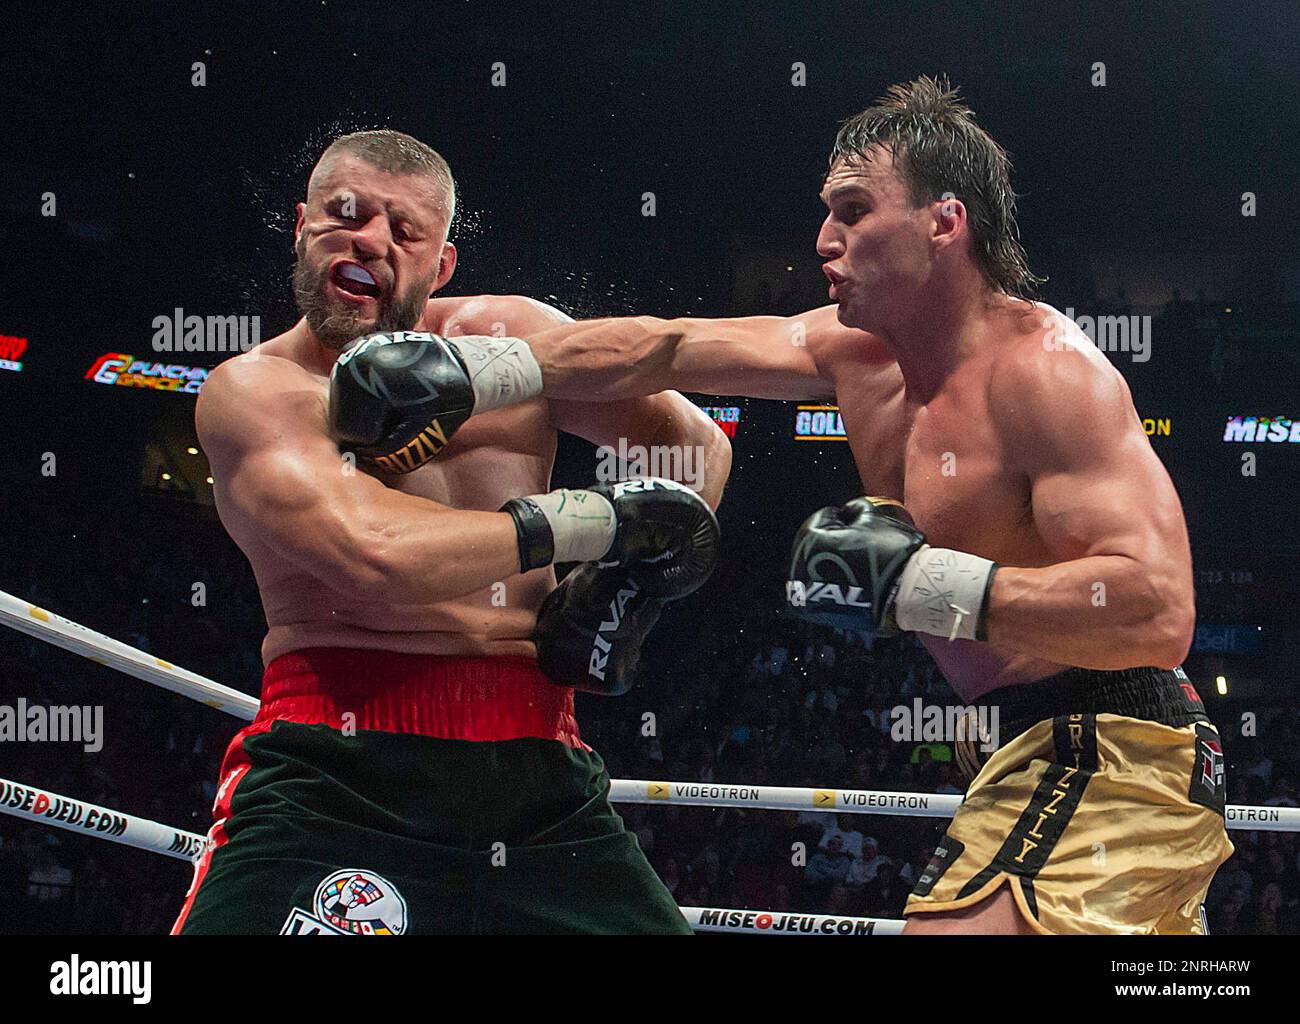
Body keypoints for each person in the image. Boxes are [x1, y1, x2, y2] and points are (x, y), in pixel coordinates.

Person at [414, 77, 1233, 934]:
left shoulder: (1048, 373)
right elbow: (664, 345)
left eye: (851, 211)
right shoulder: (853, 353)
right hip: (1023, 746)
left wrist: (919, 584)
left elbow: (1157, 609)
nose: (823, 239)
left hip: (1113, 742)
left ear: (944, 222)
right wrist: (471, 366)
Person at [172, 129, 731, 935]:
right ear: (301, 226)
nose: (368, 239)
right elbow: (375, 556)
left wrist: (619, 592)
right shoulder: (258, 389)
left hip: (543, 778)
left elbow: (694, 450)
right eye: (345, 214)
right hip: (339, 769)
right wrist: (594, 523)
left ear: (441, 266)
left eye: (403, 231)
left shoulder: (510, 335)